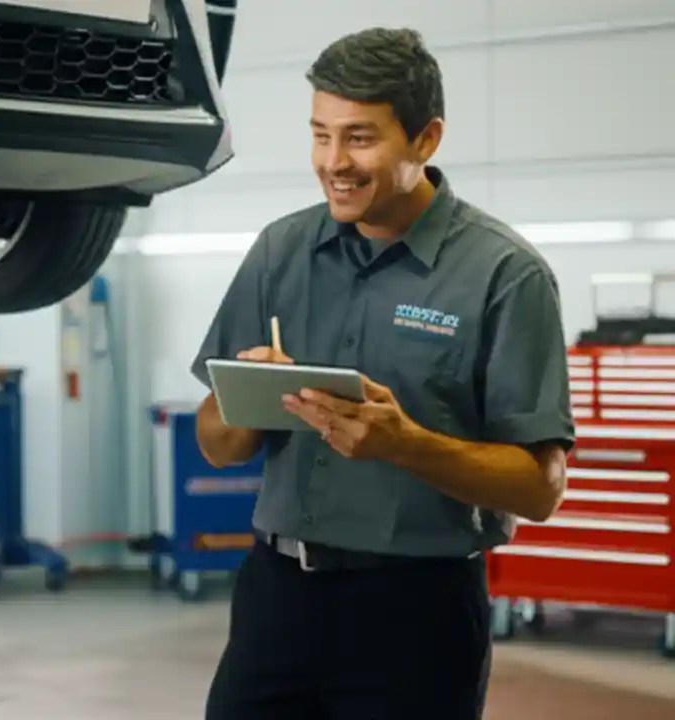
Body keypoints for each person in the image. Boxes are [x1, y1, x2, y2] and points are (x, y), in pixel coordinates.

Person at [191, 27, 574, 720]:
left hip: (415, 614)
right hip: (277, 598)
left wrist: (403, 443)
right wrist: (243, 402)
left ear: (426, 140)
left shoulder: (504, 277)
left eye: (360, 138)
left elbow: (540, 488)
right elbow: (217, 444)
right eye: (320, 135)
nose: (333, 162)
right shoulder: (281, 251)